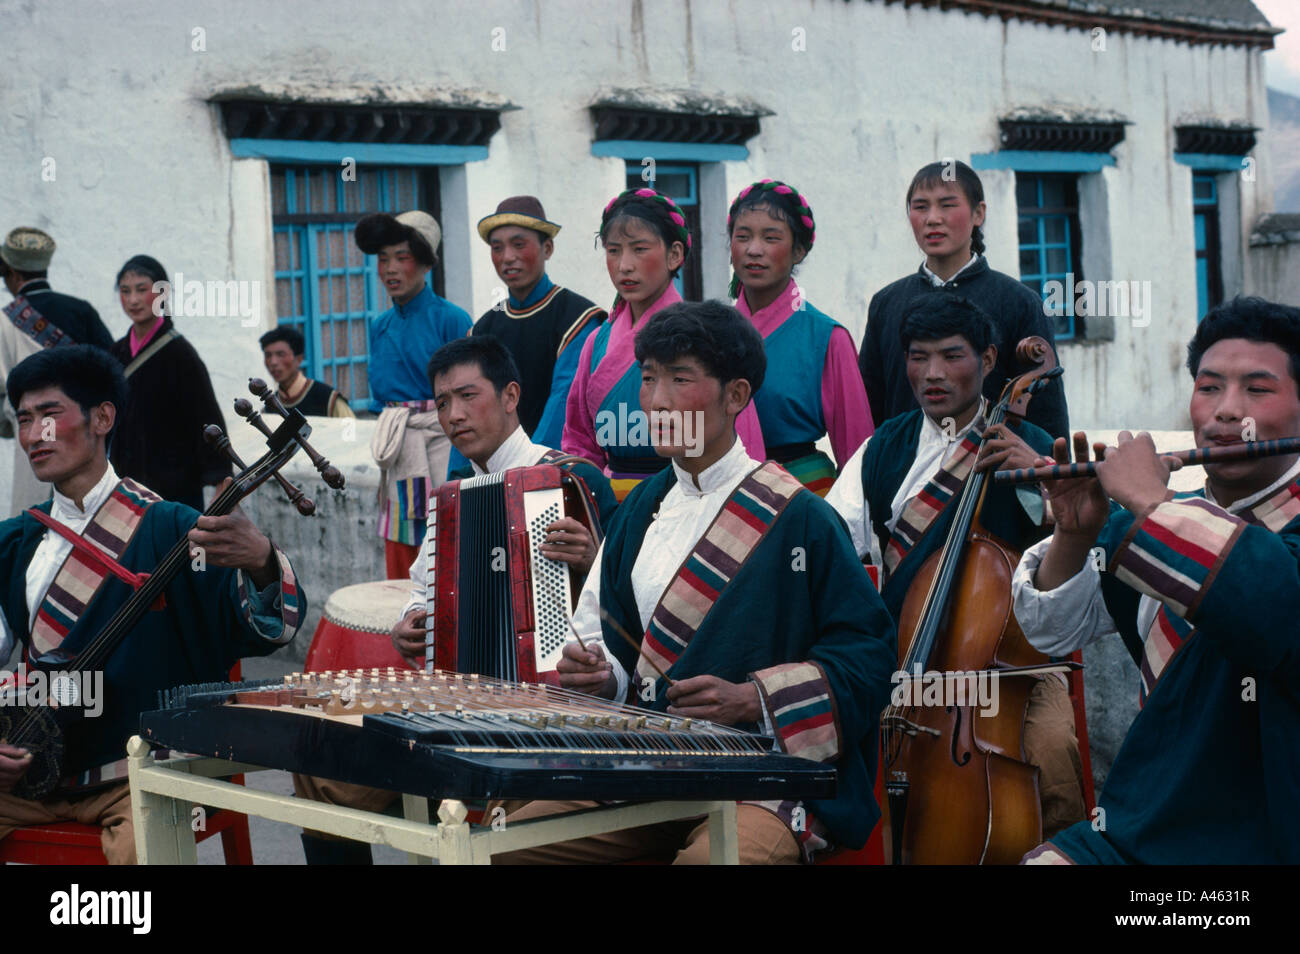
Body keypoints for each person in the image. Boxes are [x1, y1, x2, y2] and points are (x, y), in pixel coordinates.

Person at [496, 300, 896, 865]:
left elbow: (869, 658)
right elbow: (609, 650)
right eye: (648, 378)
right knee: (506, 848)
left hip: (766, 777)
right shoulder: (637, 513)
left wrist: (754, 698)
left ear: (735, 396)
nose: (655, 401)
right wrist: (600, 677)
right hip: (652, 763)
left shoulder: (803, 518)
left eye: (679, 380)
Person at [294, 334, 616, 865]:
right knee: (319, 762)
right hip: (459, 705)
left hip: (556, 711)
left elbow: (628, 603)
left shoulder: (572, 480)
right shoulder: (454, 494)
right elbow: (421, 588)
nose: (454, 415)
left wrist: (593, 555)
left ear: (511, 396)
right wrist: (410, 621)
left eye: (469, 396)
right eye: (443, 402)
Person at [1015, 296, 1300, 865]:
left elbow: (1266, 608)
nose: (1226, 412)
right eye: (1209, 386)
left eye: (1258, 390)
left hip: (1264, 837)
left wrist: (1149, 501)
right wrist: (1075, 532)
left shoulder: (1166, 518)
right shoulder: (1162, 522)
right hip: (1142, 829)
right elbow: (1049, 630)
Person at [0, 345, 304, 864]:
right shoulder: (14, 542)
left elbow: (251, 625)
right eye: (24, 420)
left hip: (142, 769)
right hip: (38, 767)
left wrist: (259, 562)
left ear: (102, 417)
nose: (33, 436)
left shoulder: (174, 529)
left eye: (50, 415)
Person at [825, 294, 1086, 840]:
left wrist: (1038, 477)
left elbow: (1074, 553)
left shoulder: (1036, 447)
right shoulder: (881, 449)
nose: (933, 373)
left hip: (1011, 670)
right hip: (901, 665)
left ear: (989, 361)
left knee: (1053, 754)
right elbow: (836, 549)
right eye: (918, 357)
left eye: (952, 356)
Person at [564, 188, 765, 501]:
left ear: (674, 255)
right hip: (609, 504)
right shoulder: (595, 341)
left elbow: (742, 439)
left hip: (687, 495)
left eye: (639, 249)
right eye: (613, 251)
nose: (624, 265)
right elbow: (579, 440)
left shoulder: (707, 336)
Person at [858, 160, 1068, 439]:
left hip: (989, 473)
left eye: (947, 205)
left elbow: (1047, 417)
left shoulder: (1019, 302)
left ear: (978, 213)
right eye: (921, 207)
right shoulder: (886, 303)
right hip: (904, 473)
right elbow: (869, 406)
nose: (933, 218)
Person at [728, 179, 872, 494]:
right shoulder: (714, 334)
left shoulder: (826, 337)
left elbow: (856, 451)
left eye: (771, 237)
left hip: (804, 491)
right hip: (725, 492)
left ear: (799, 249)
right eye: (743, 237)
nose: (754, 249)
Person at [356, 210, 472, 579]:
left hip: (442, 443)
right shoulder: (380, 326)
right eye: (383, 259)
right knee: (401, 555)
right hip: (400, 447)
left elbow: (466, 393)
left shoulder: (451, 319)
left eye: (401, 258)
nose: (390, 269)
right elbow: (379, 400)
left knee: (446, 544)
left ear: (424, 264)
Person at [471, 196, 605, 448]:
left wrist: (530, 466)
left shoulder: (578, 318)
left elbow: (564, 401)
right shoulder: (482, 330)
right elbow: (473, 410)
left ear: (548, 248)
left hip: (556, 463)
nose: (508, 257)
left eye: (519, 244)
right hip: (493, 469)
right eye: (497, 248)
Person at [0, 227, 114, 515]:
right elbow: (112, 371)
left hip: (33, 434)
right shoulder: (81, 310)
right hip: (83, 432)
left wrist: (13, 423)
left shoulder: (5, 319)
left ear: (12, 273)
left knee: (38, 518)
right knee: (91, 514)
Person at [108, 255, 231, 511]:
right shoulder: (116, 353)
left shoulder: (180, 354)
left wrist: (220, 477)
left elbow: (207, 416)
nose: (133, 300)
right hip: (127, 484)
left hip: (176, 487)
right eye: (125, 291)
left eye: (142, 290)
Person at [258, 326, 354, 418]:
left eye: (281, 354)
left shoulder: (329, 400)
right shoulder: (269, 408)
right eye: (268, 355)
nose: (273, 362)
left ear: (299, 359)